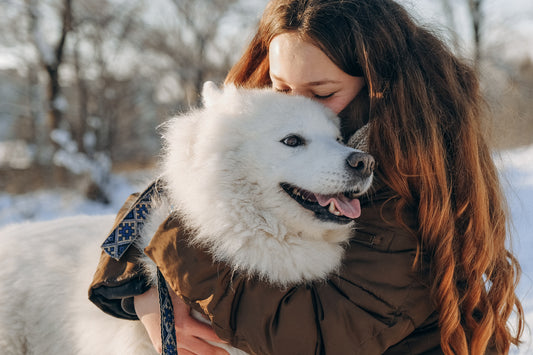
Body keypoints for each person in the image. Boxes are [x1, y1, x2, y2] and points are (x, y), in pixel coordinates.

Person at [89, 0, 525, 354]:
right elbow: (158, 201)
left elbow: (314, 338)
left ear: (381, 86)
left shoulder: (404, 187)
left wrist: (172, 243)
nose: (296, 107)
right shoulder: (276, 137)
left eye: (322, 94)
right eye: (281, 88)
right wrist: (149, 298)